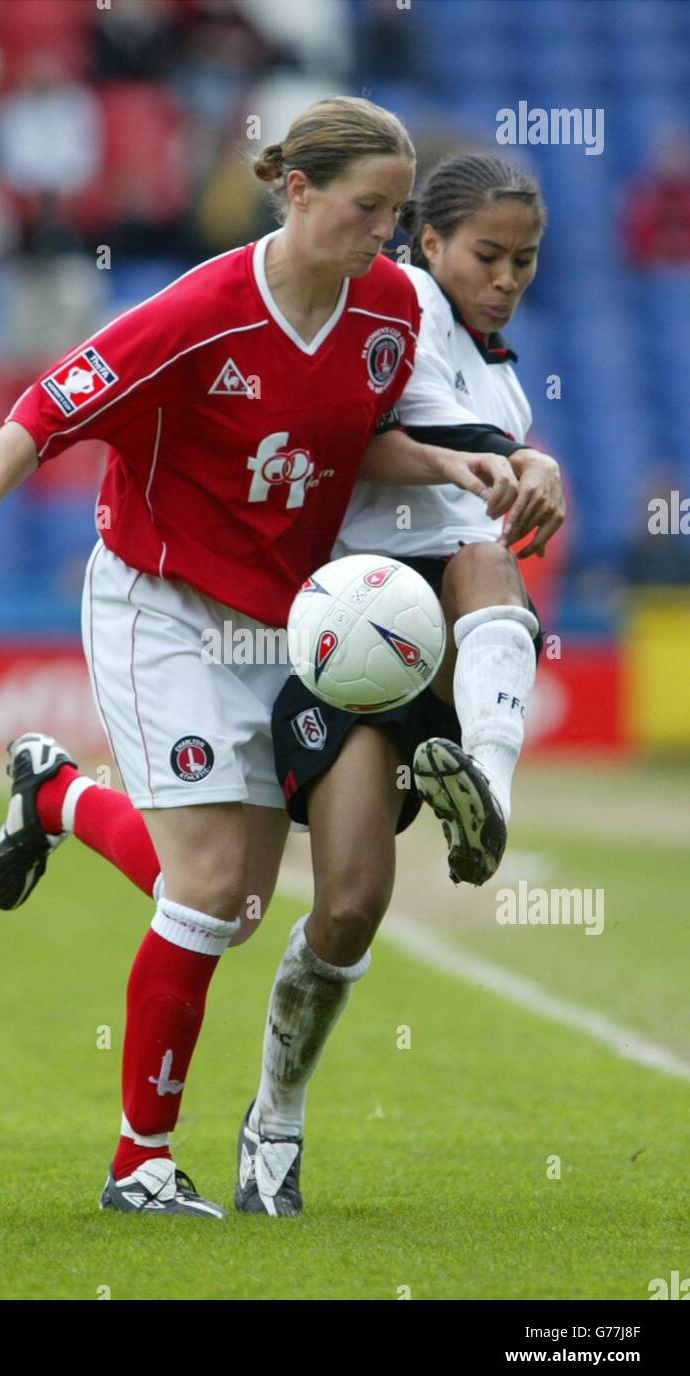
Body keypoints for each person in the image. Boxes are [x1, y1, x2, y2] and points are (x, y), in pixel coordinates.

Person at [0, 98, 520, 1220]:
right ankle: (139, 1162)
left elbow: (347, 436)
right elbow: (43, 410)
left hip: (280, 619)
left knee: (232, 908)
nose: (385, 237)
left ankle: (55, 793)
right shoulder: (198, 311)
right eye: (365, 209)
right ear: (295, 191)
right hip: (160, 600)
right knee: (202, 891)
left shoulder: (385, 306)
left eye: (396, 213)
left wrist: (451, 465)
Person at [237, 152, 567, 1216]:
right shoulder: (397, 305)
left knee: (481, 554)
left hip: (448, 629)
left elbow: (486, 473)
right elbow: (377, 433)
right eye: (487, 253)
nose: (506, 276)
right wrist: (526, 462)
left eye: (523, 260)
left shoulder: (505, 376)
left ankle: (489, 799)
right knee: (347, 907)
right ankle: (273, 1117)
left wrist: (521, 460)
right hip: (357, 627)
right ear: (426, 243)